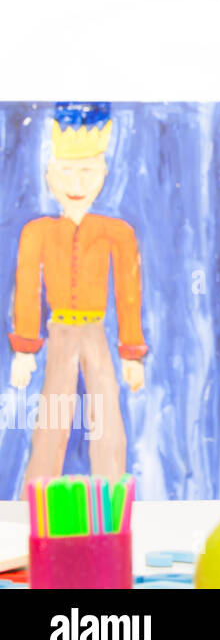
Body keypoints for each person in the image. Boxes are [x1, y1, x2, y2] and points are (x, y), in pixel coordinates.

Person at [9, 103, 146, 482]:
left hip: (96, 333)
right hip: (59, 334)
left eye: (87, 172)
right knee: (52, 420)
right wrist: (24, 349)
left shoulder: (116, 232)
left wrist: (131, 353)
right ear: (50, 174)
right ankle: (35, 505)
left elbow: (128, 292)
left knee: (107, 420)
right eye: (66, 171)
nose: (76, 184)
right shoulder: (37, 232)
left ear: (102, 174)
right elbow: (27, 289)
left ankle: (112, 500)